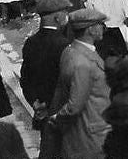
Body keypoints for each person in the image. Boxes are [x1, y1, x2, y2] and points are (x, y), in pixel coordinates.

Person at [48, 8, 112, 159]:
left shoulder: (70, 52)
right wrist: (57, 118)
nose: (103, 27)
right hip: (90, 134)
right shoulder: (83, 62)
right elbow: (75, 105)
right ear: (90, 29)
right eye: (100, 24)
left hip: (83, 131)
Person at [20, 0, 72, 159]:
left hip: (40, 108)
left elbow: (25, 78)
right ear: (57, 17)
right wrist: (49, 105)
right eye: (65, 13)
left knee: (47, 148)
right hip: (59, 110)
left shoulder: (31, 42)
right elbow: (62, 81)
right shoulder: (64, 45)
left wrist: (35, 102)